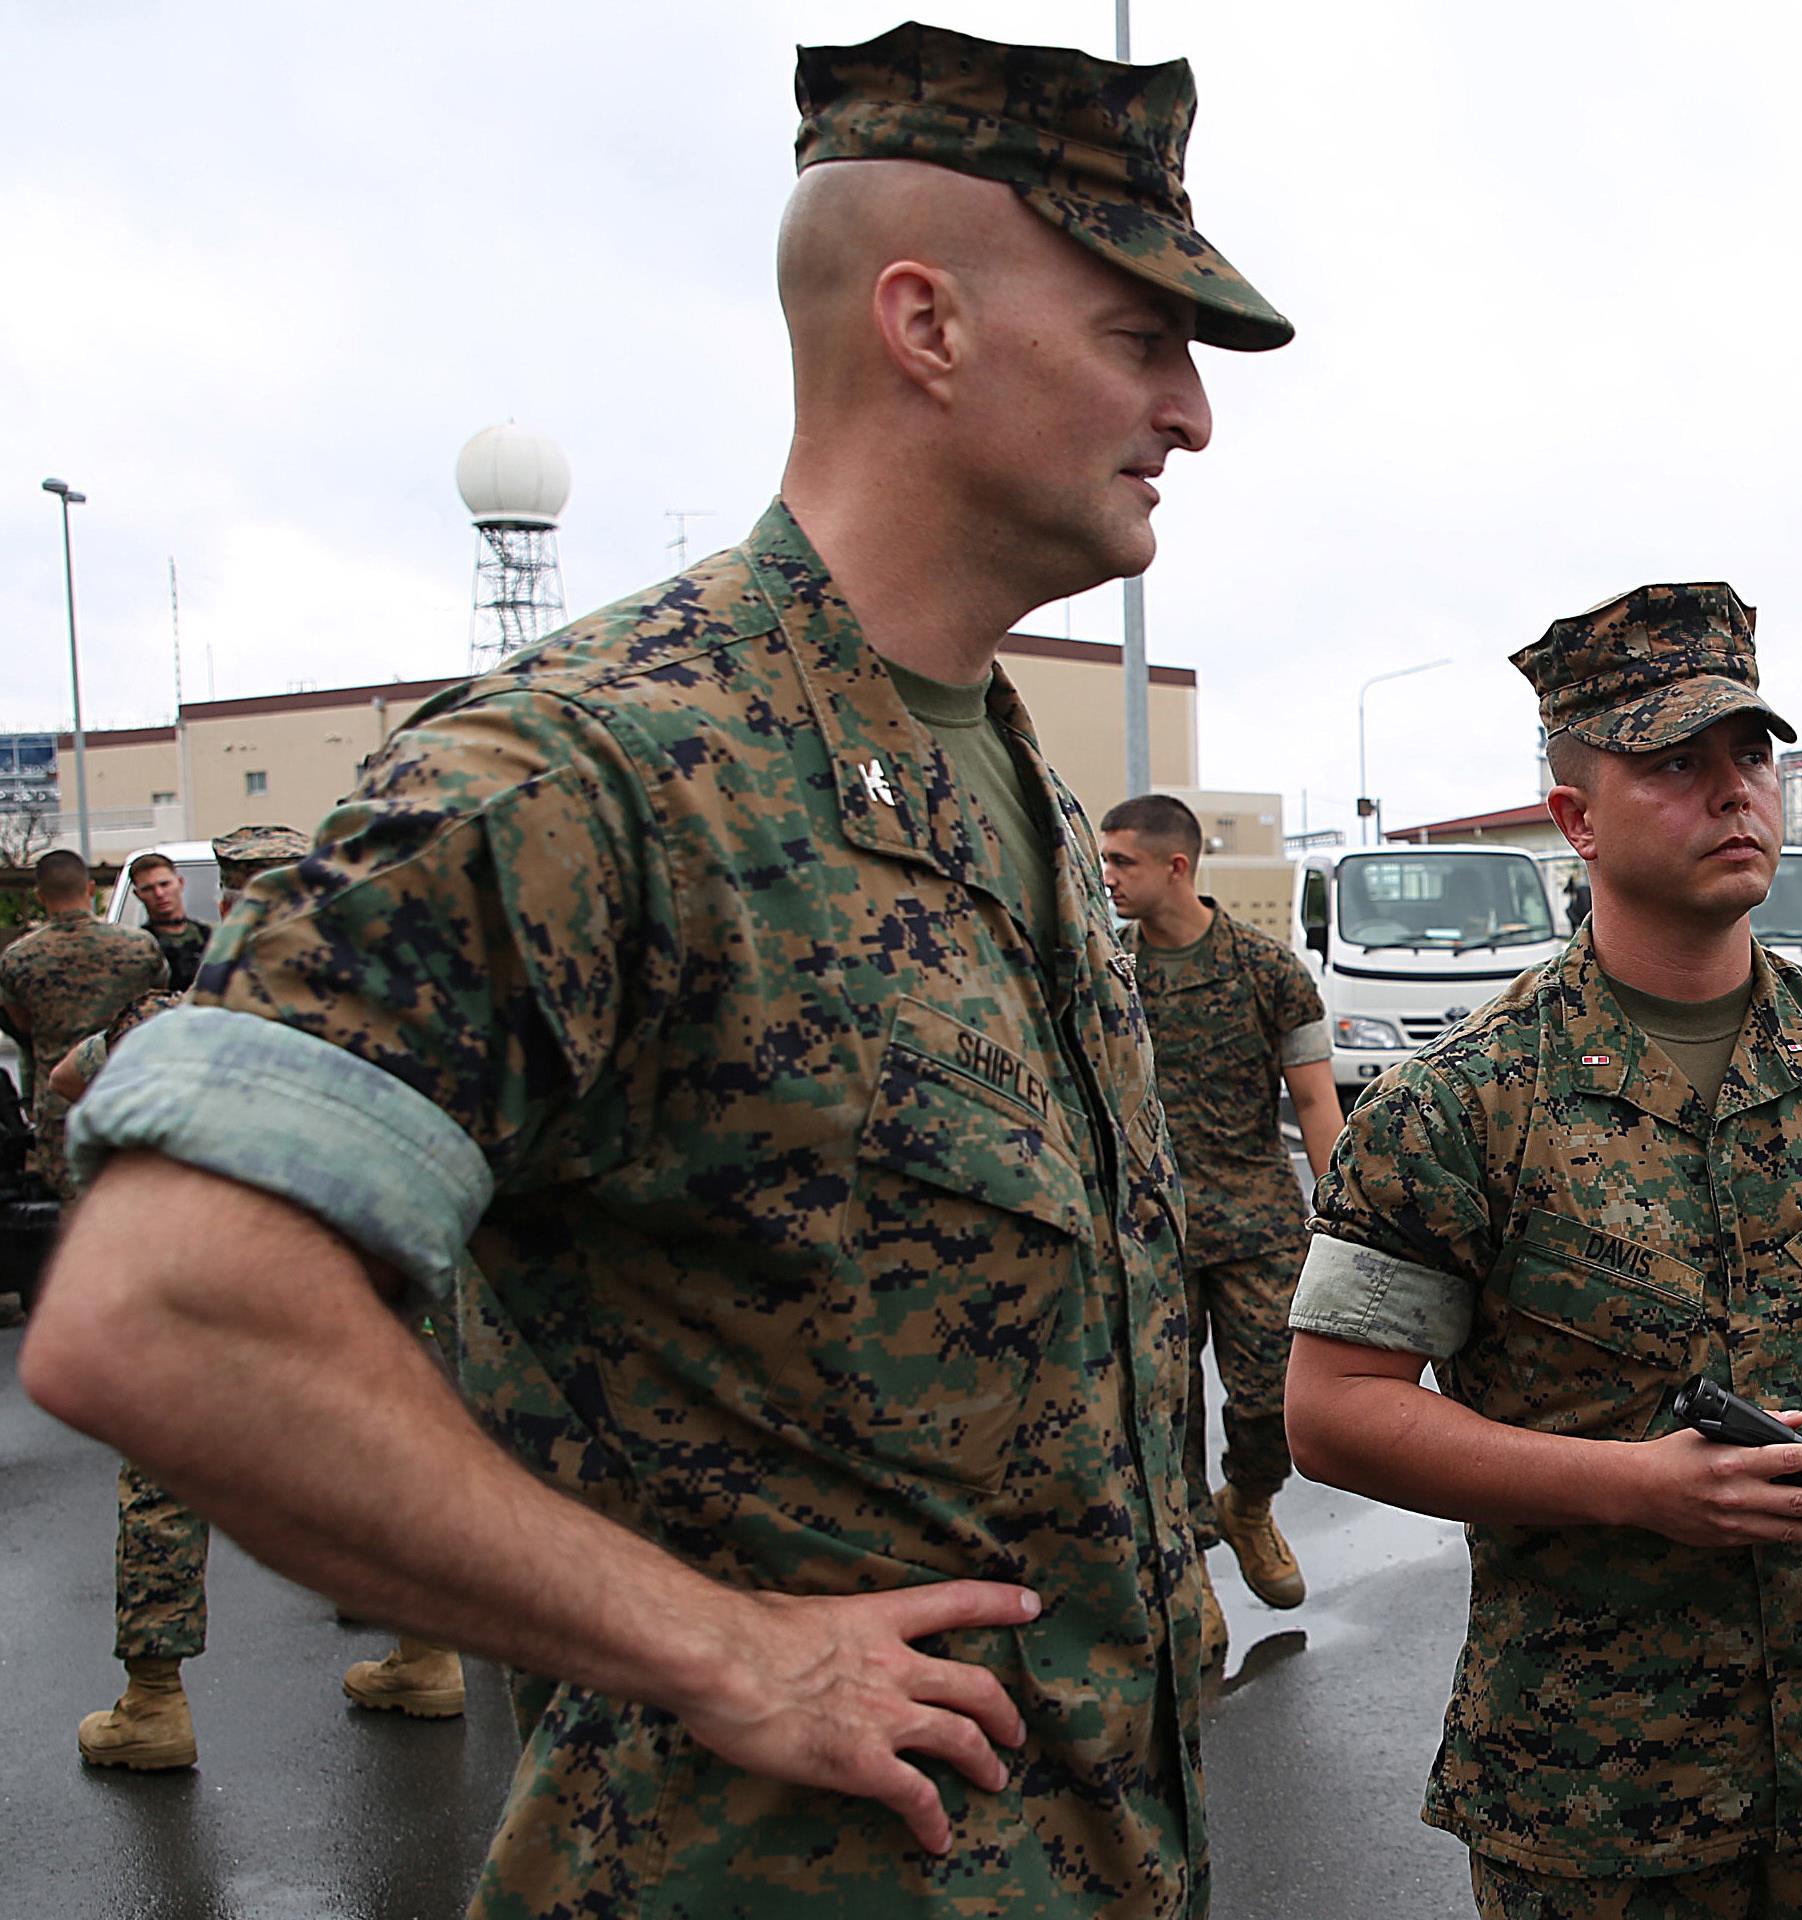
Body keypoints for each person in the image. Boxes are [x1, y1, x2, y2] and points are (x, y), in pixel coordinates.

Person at [27, 22, 1291, 1917]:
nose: (1190, 413)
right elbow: (162, 1314)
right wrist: (722, 1648)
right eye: (1140, 340)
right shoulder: (586, 770)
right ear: (924, 325)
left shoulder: (1016, 781)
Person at [1287, 583, 1802, 1919]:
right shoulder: (1458, 1107)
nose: (1732, 792)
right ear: (1575, 817)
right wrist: (1634, 1488)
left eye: (1750, 754)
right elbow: (1332, 1414)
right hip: (1594, 1796)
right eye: (1674, 763)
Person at [63, 829, 471, 1772]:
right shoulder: (395, 998)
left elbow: (69, 1078)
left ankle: (154, 1705)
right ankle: (429, 1655)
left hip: (219, 1269)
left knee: (165, 1476)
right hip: (362, 1267)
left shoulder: (194, 1001)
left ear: (229, 900)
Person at [1099, 792, 1342, 1610]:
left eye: (1121, 861)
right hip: (1143, 1225)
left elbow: (1314, 1102)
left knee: (1278, 1395)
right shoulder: (1105, 967)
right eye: (1103, 860)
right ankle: (1188, 1571)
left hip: (1255, 1218)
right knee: (1160, 1411)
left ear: (1177, 866)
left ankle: (1247, 1506)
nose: (1107, 878)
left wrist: (1346, 1219)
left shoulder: (1265, 968)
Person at [0, 848, 163, 1195]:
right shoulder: (139, 947)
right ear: (90, 889)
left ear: (40, 895)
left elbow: (22, 1024)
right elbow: (156, 1006)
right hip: (132, 1093)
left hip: (62, 1103)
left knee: (75, 1211)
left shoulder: (19, 959)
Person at [126, 850, 211, 993]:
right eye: (148, 889)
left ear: (180, 883)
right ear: (138, 894)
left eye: (164, 884)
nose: (159, 894)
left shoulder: (212, 936)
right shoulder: (138, 946)